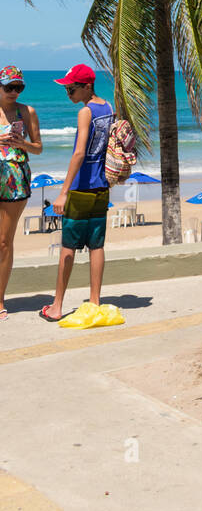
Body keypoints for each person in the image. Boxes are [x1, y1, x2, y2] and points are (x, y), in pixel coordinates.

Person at [40, 65, 113, 322]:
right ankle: (95, 302)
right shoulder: (108, 107)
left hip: (81, 188)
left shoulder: (86, 111)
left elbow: (79, 153)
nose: (68, 93)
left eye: (71, 89)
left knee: (68, 248)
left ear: (87, 87)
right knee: (96, 246)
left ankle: (57, 306)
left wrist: (63, 192)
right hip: (101, 187)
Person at [0, 65, 42, 321]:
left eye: (19, 87)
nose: (14, 91)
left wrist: (21, 143)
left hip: (15, 179)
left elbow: (38, 148)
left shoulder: (27, 112)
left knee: (4, 241)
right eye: (9, 86)